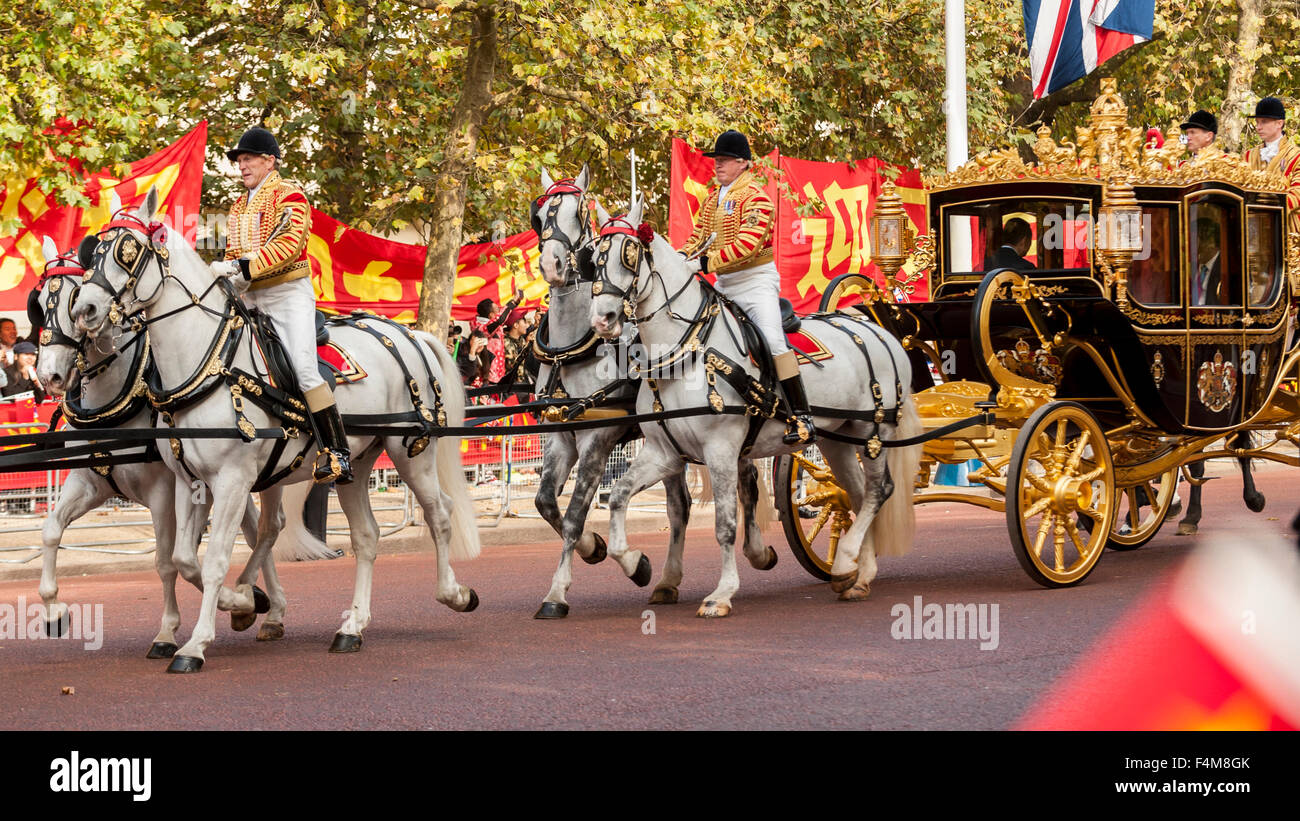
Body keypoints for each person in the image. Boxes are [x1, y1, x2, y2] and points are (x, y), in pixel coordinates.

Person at [209, 126, 352, 483]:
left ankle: (336, 452)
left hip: (287, 295)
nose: (241, 166)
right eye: (239, 160)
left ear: (269, 161)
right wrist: (228, 277)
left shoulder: (290, 196)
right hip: (249, 297)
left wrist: (241, 267)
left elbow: (288, 242)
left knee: (303, 369)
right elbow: (232, 253)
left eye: (247, 158)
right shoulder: (238, 206)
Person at [680, 129, 814, 445]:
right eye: (717, 160)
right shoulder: (713, 199)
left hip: (755, 285)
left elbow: (746, 247)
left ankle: (802, 415)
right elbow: (697, 237)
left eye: (724, 160)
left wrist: (702, 265)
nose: (718, 165)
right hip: (723, 285)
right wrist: (679, 257)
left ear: (742, 163)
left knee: (773, 341)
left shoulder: (759, 200)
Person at [1243, 96, 1300, 238]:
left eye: (1264, 122)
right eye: (1257, 122)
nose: (1258, 127)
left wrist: (1271, 206)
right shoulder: (1248, 156)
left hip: (1288, 230)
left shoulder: (1296, 156)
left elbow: (1298, 193)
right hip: (1254, 229)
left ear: (1279, 123)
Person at [472, 290, 523, 385]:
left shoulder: (494, 327)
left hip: (498, 378)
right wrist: (513, 301)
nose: (500, 311)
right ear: (491, 315)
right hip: (487, 379)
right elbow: (500, 319)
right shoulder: (481, 328)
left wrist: (516, 303)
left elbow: (504, 317)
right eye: (497, 310)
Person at [1191, 217, 1223, 306]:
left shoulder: (1225, 268)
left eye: (1193, 240)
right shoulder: (1190, 267)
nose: (1189, 245)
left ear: (1209, 242)